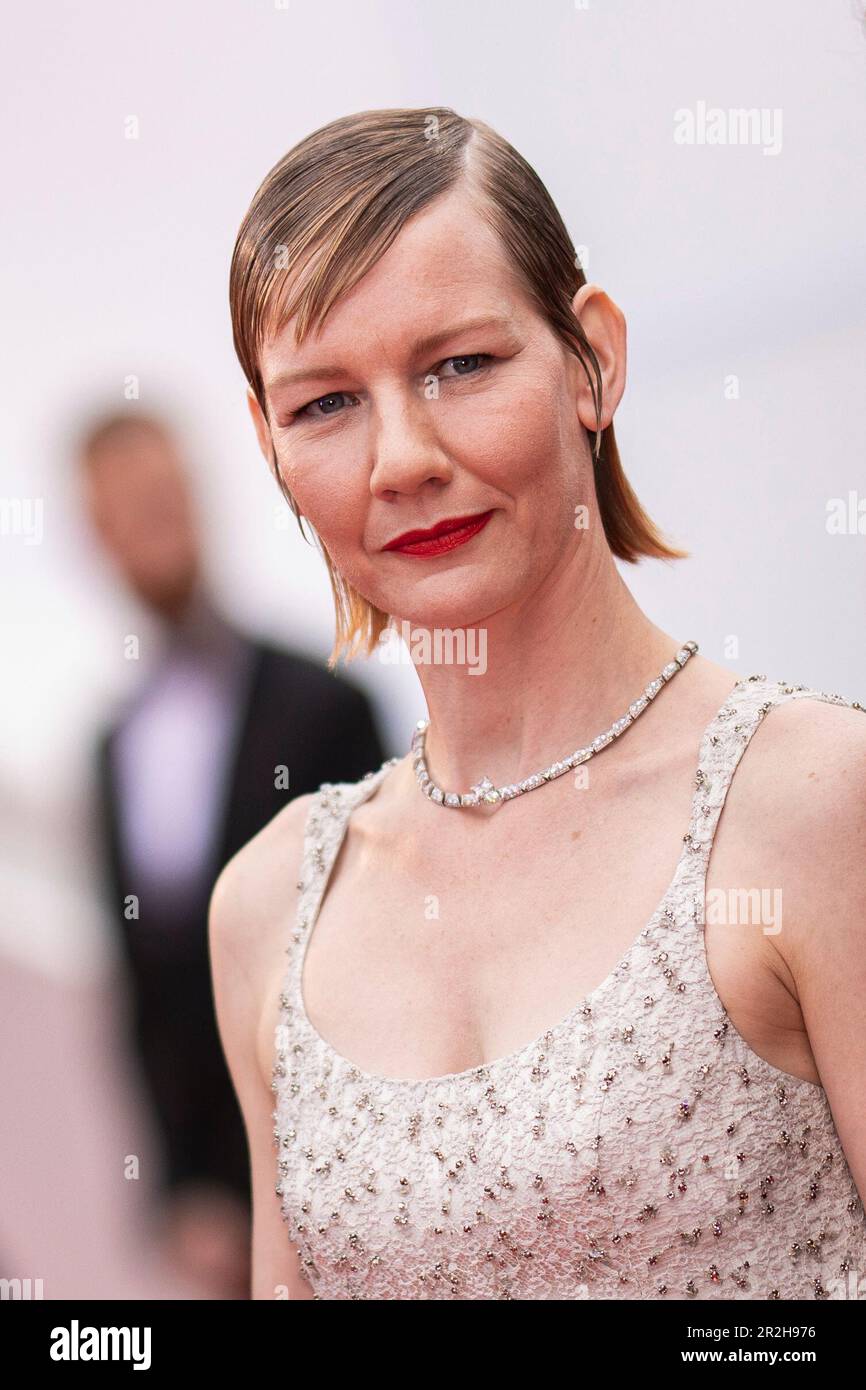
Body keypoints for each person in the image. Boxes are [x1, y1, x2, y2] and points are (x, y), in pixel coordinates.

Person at [210, 107, 866, 1301]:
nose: (400, 456)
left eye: (458, 365)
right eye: (324, 404)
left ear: (590, 360)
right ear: (268, 446)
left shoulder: (814, 800)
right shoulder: (266, 907)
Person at [80, 410, 387, 1297]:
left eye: (163, 500)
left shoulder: (323, 704)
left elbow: (380, 944)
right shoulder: (110, 752)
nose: (151, 528)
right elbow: (141, 993)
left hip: (347, 1167)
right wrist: (182, 1187)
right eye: (124, 512)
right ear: (96, 535)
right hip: (216, 1210)